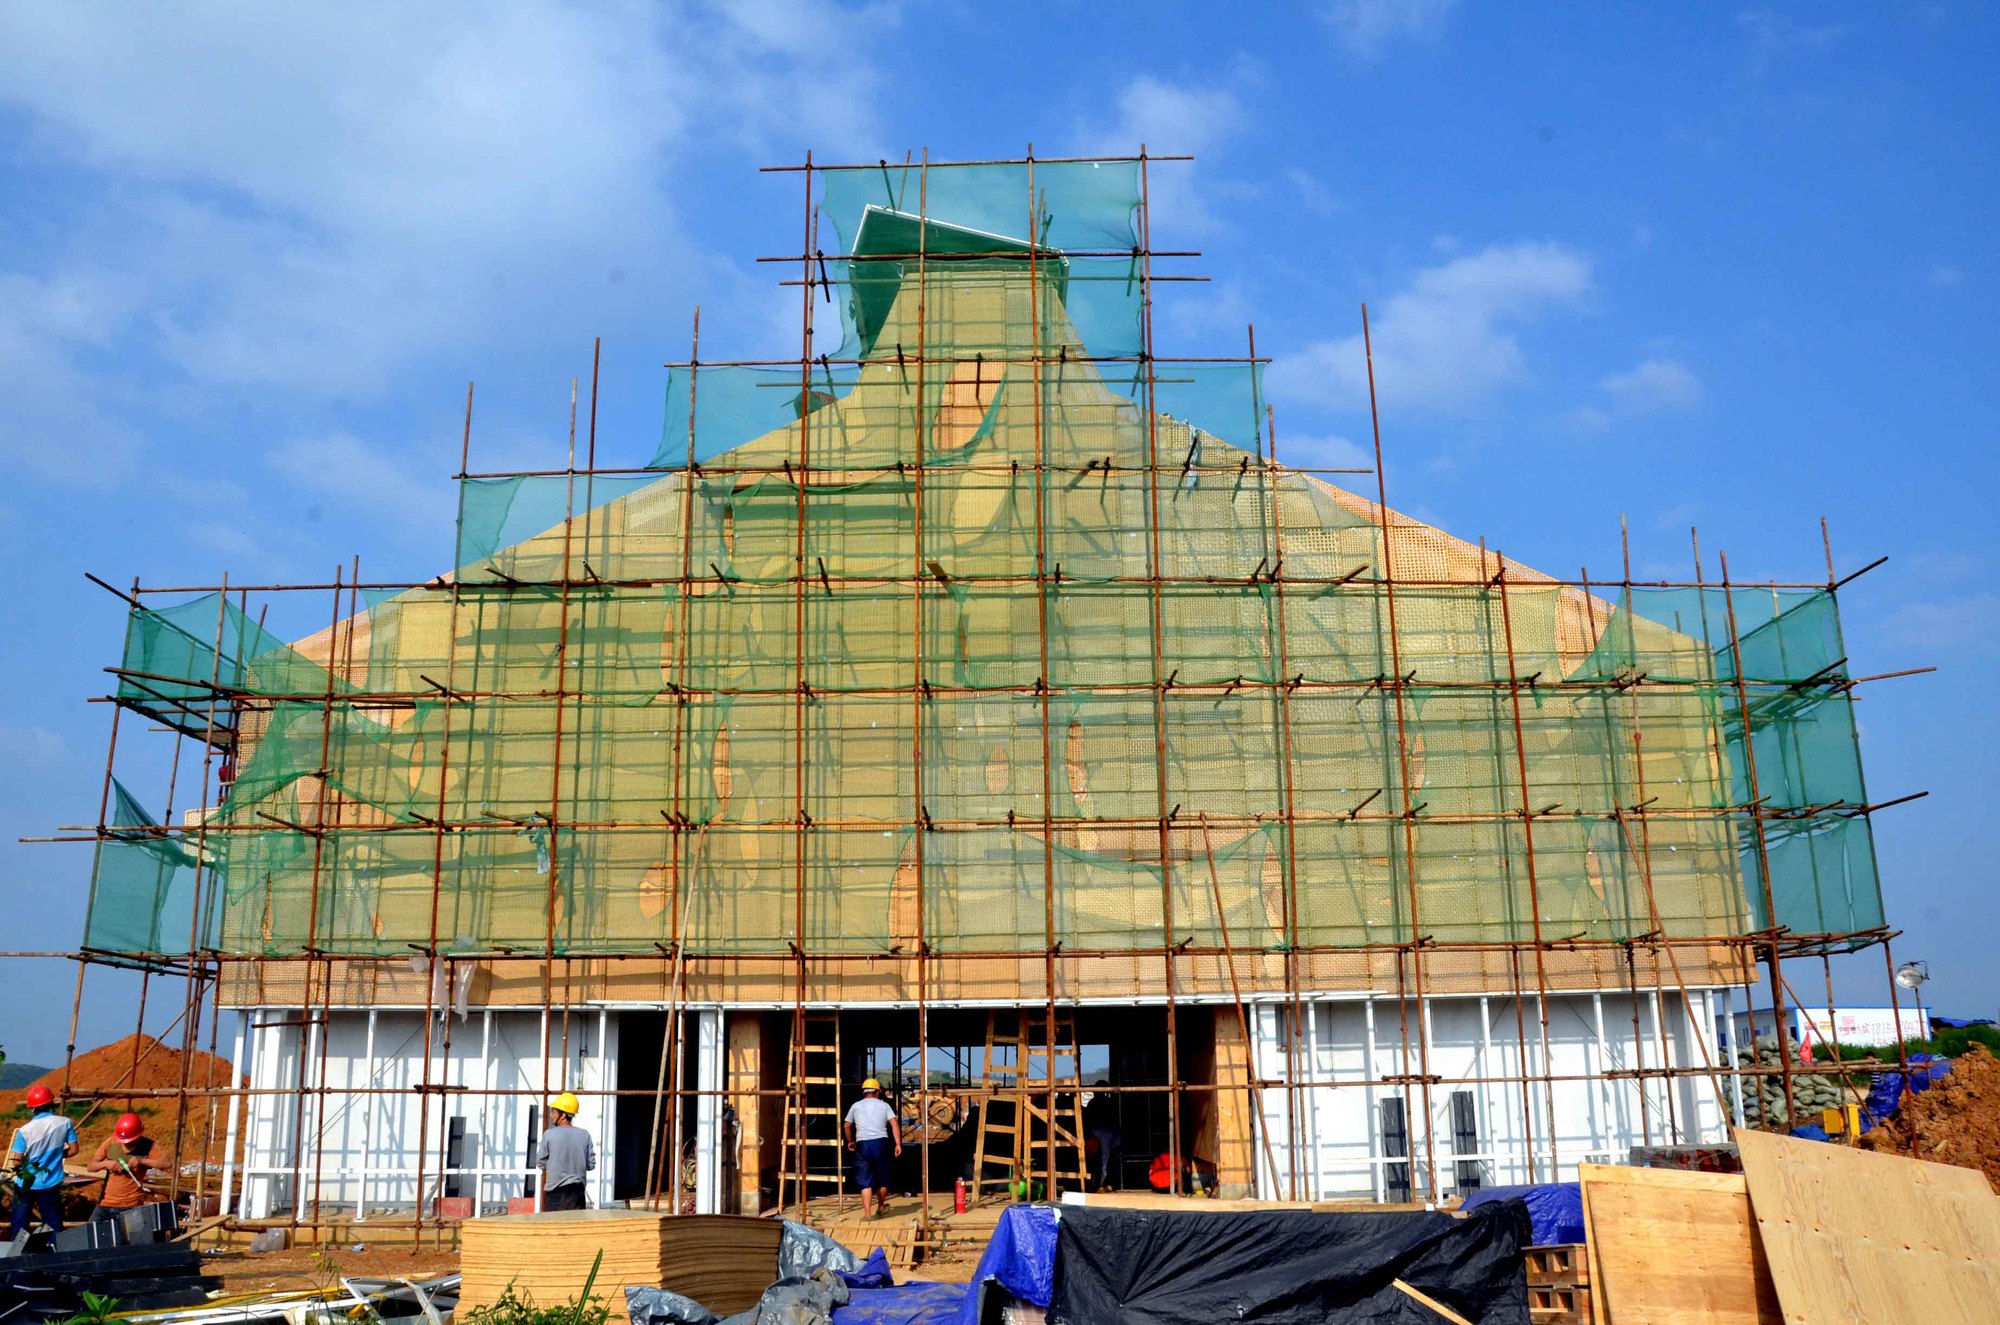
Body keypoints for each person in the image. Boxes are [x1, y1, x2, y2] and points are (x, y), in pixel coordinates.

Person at [6, 1085, 79, 1238]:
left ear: (32, 1108)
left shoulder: (25, 1130)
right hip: (50, 1183)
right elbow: (74, 1150)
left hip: (25, 1184)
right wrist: (58, 1155)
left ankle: (17, 1256)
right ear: (52, 1103)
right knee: (53, 1225)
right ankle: (53, 1255)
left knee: (20, 1225)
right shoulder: (65, 1123)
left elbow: (16, 1161)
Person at [842, 1078, 901, 1219]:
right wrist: (898, 1144)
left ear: (864, 1091)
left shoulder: (855, 1106)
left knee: (865, 1180)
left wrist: (850, 1140)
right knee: (883, 1177)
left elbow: (846, 1126)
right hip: (881, 1144)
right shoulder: (884, 1106)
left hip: (862, 1144)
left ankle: (867, 1215)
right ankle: (880, 1207)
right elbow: (894, 1124)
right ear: (877, 1091)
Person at [89, 1113, 160, 1222]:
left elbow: (166, 1163)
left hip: (131, 1204)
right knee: (91, 1234)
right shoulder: (111, 1142)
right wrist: (106, 1164)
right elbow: (91, 1167)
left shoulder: (148, 1145)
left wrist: (142, 1161)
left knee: (131, 1237)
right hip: (105, 1204)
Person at [536, 1092, 595, 1212]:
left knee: (554, 1227)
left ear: (563, 1115)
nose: (551, 1115)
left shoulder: (549, 1135)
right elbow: (591, 1164)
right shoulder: (585, 1135)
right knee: (575, 1228)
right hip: (577, 1193)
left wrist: (555, 1164)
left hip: (555, 1192)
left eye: (553, 1111)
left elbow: (540, 1163)